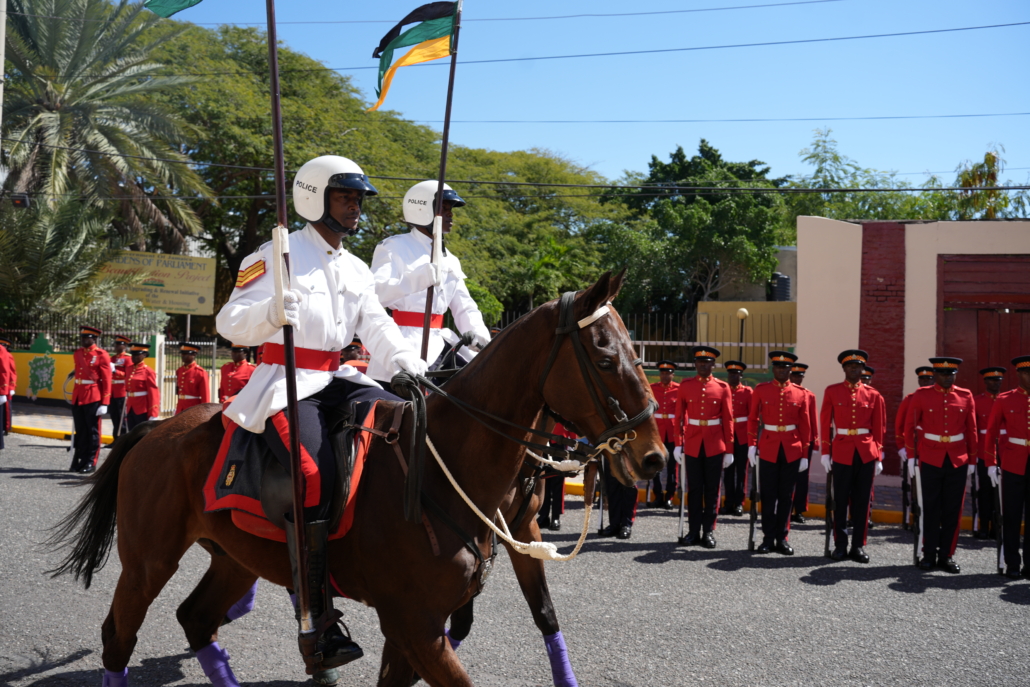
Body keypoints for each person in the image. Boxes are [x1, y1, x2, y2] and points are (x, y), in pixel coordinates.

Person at [216, 154, 425, 672]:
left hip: (340, 378)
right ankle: (315, 615)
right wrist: (268, 312)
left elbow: (376, 326)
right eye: (345, 196)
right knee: (312, 474)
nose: (355, 207)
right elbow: (228, 322)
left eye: (358, 199)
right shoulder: (275, 255)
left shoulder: (355, 268)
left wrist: (406, 363)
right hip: (288, 384)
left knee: (409, 425)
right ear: (314, 197)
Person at [368, 180, 490, 382]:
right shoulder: (394, 246)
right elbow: (374, 294)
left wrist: (477, 331)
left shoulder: (450, 258)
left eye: (451, 209)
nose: (450, 214)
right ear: (421, 209)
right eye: (443, 208)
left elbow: (464, 304)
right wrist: (415, 280)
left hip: (442, 341)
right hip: (405, 341)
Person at [904, 357, 977, 573]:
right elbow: (910, 427)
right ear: (935, 375)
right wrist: (910, 456)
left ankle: (947, 554)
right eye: (943, 374)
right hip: (930, 457)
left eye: (951, 373)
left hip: (957, 459)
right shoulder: (921, 395)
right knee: (930, 507)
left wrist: (972, 460)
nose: (947, 377)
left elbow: (971, 430)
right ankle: (928, 553)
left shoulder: (965, 396)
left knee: (953, 510)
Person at [820, 350, 886, 563]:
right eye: (850, 367)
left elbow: (879, 428)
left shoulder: (874, 395)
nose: (854, 370)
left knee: (862, 502)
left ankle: (858, 546)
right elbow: (825, 424)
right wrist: (824, 452)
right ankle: (840, 545)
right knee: (839, 500)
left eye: (858, 367)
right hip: (841, 451)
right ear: (844, 369)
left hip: (866, 453)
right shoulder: (832, 391)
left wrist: (879, 456)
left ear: (862, 369)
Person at [747, 350, 812, 555]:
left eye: (785, 367)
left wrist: (804, 453)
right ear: (772, 368)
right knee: (768, 495)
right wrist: (751, 444)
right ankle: (767, 538)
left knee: (786, 496)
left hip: (792, 449)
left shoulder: (801, 393)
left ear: (790, 370)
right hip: (768, 447)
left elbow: (805, 425)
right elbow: (753, 419)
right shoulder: (761, 389)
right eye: (778, 367)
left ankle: (782, 537)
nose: (782, 370)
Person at [674, 346, 734, 548]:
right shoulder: (685, 385)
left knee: (712, 490)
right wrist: (677, 444)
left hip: (715, 445)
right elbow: (679, 418)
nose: (702, 365)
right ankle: (693, 531)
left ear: (712, 365)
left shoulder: (723, 388)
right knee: (694, 489)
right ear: (695, 364)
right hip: (692, 444)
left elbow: (728, 420)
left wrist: (730, 450)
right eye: (699, 362)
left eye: (706, 362)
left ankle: (708, 531)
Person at [983, 355, 1030, 579]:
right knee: (1011, 516)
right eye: (1027, 373)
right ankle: (1012, 563)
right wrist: (991, 463)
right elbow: (991, 432)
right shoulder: (1004, 399)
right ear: (1019, 374)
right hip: (1013, 463)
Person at [70, 326, 112, 473]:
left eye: (86, 338)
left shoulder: (102, 355)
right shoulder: (78, 353)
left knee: (92, 431)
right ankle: (80, 459)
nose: (83, 340)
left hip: (93, 396)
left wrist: (105, 402)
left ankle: (91, 462)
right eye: (82, 338)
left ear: (94, 339)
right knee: (81, 431)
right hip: (78, 396)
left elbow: (107, 380)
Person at [972, 366, 1005, 539]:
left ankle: (998, 526)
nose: (995, 383)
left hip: (1006, 451)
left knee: (1003, 491)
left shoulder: (1007, 400)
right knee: (985, 490)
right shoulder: (977, 401)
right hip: (984, 452)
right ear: (985, 381)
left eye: (998, 380)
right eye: (992, 380)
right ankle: (984, 526)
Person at [648, 360, 680, 509]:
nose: (665, 376)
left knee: (673, 468)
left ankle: (670, 497)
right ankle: (658, 495)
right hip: (657, 433)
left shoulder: (679, 390)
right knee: (655, 466)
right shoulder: (652, 388)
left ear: (673, 374)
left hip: (673, 433)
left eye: (668, 373)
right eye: (662, 373)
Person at [789, 362, 819, 524]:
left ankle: (799, 509)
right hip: (789, 438)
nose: (797, 379)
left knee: (802, 478)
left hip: (805, 441)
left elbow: (813, 421)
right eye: (794, 376)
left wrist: (815, 443)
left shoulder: (808, 395)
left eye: (800, 376)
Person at [721, 360, 752, 516]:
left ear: (741, 375)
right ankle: (728, 502)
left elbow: (753, 416)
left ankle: (739, 503)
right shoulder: (723, 391)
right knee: (727, 471)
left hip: (742, 435)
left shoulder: (747, 393)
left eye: (736, 374)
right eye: (731, 374)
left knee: (741, 471)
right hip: (726, 436)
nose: (733, 377)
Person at [538, 422, 576, 531]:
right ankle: (543, 515)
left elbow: (570, 423)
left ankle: (556, 517)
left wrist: (572, 444)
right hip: (544, 443)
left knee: (558, 483)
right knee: (544, 481)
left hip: (560, 444)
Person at [599, 452, 639, 539]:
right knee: (612, 487)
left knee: (629, 487)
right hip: (610, 449)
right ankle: (614, 524)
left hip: (628, 448)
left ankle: (626, 524)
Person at [125, 343, 160, 430]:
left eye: (137, 354)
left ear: (144, 355)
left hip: (142, 407)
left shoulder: (148, 371)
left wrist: (153, 413)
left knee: (140, 434)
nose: (134, 357)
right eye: (132, 354)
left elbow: (153, 393)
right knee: (131, 433)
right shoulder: (129, 369)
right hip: (131, 406)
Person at [109, 335, 132, 439]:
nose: (116, 347)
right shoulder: (112, 358)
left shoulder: (128, 359)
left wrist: (115, 371)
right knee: (114, 416)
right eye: (116, 344)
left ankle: (121, 438)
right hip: (112, 390)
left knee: (121, 416)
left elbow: (128, 374)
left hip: (121, 390)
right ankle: (115, 438)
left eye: (119, 345)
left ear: (125, 346)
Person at [175, 344, 210, 414]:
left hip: (193, 408)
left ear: (193, 355)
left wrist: (204, 411)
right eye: (182, 354)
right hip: (180, 407)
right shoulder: (180, 370)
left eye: (185, 354)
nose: (183, 356)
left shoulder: (200, 372)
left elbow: (205, 395)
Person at [0, 331, 16, 451]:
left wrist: (8, 388)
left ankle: (6, 427)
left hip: (3, 388)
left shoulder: (4, 352)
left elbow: (8, 372)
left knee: (6, 410)